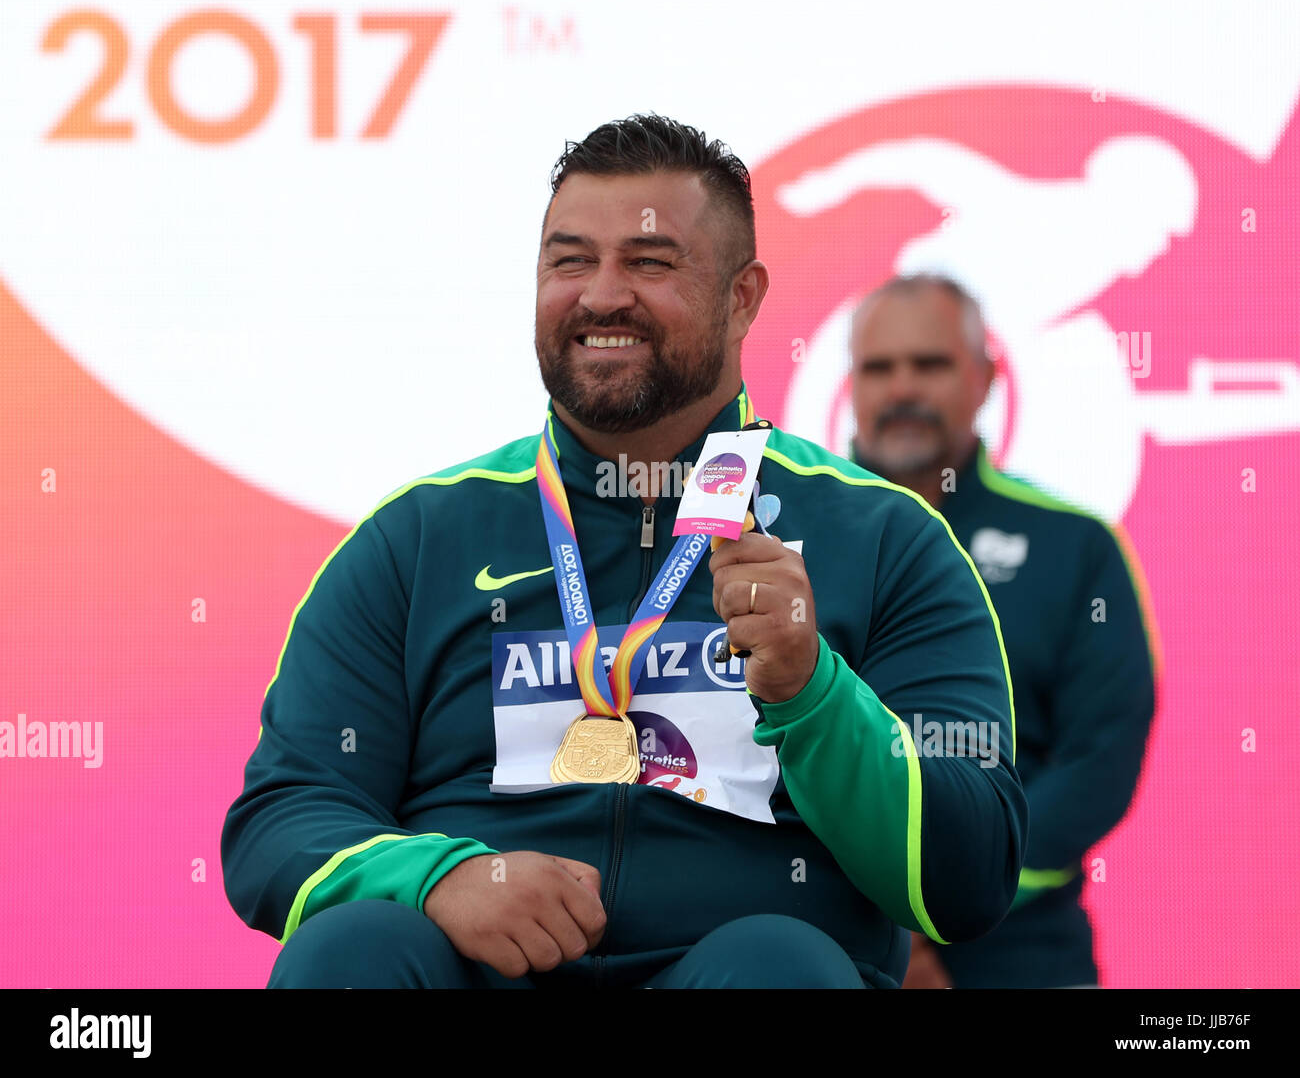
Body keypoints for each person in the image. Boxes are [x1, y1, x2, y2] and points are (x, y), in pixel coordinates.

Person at [221, 117, 1027, 989]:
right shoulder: (416, 539)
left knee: (778, 966)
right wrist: (439, 877)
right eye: (570, 261)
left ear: (743, 297)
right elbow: (282, 816)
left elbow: (969, 876)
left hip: (741, 978)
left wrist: (815, 693)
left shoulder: (883, 539)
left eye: (649, 263)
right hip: (475, 974)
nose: (602, 296)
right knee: (351, 952)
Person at [847, 273, 1156, 989]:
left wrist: (942, 901)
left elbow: (1099, 757)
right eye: (878, 368)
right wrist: (878, 923)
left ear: (987, 379)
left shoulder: (1075, 545)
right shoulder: (781, 533)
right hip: (825, 941)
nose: (901, 390)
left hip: (1021, 949)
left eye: (930, 364)